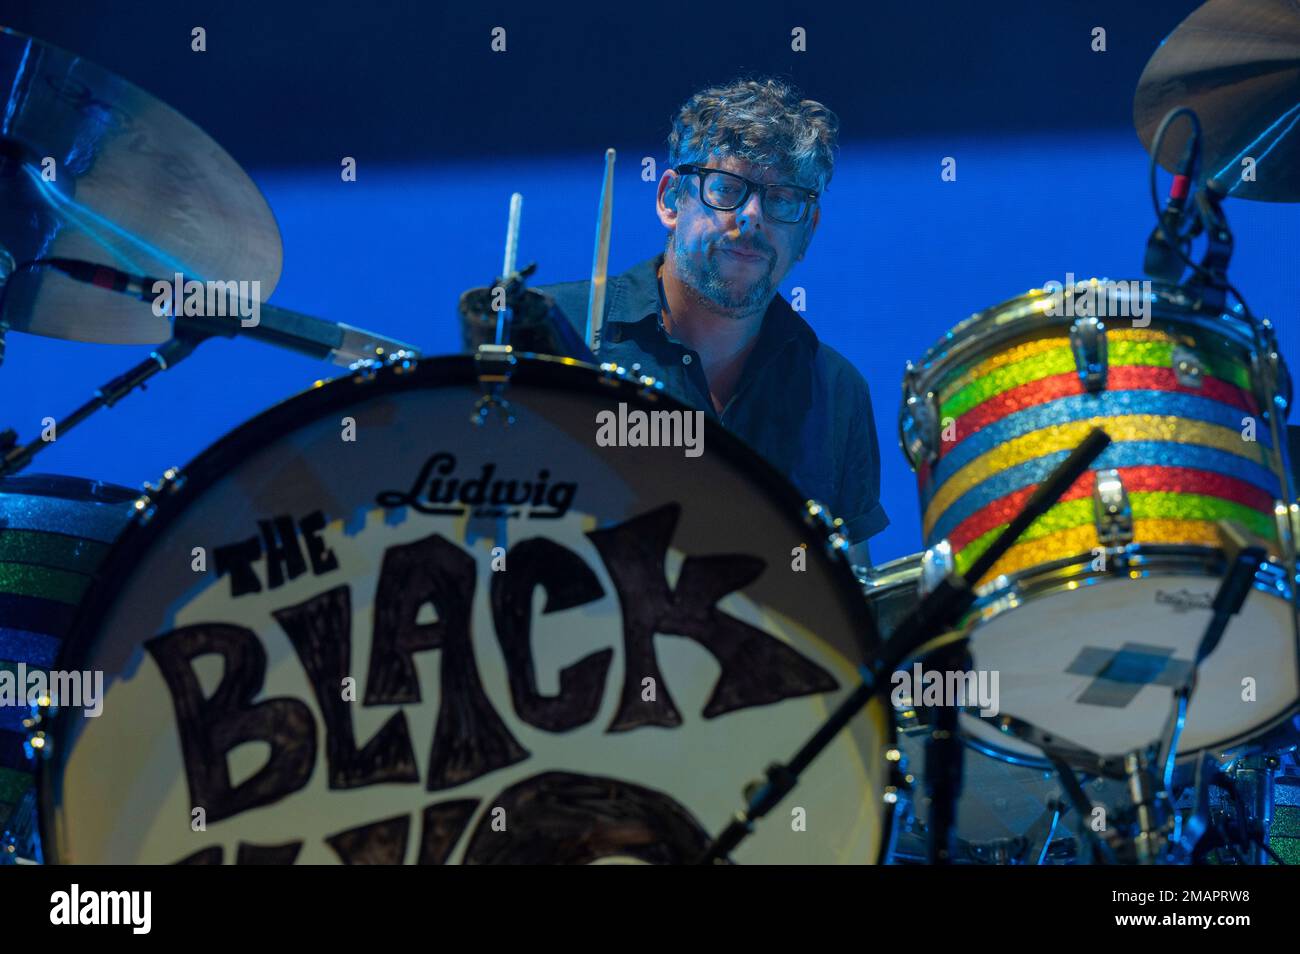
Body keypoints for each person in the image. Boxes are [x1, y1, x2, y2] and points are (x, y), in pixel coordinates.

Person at [536, 77, 887, 564]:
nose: (750, 217)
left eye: (783, 198)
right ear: (670, 200)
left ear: (808, 232)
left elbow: (852, 606)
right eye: (726, 188)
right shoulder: (551, 332)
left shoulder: (836, 391)